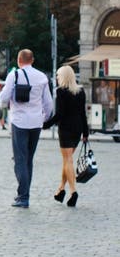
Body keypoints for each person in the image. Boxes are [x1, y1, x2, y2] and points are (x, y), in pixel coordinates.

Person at [0, 49, 53, 208]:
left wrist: (5, 107)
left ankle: (23, 197)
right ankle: (24, 194)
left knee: (20, 160)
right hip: (36, 123)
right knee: (29, 159)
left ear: (18, 60)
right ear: (32, 60)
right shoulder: (42, 77)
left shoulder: (14, 75)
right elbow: (48, 103)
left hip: (19, 122)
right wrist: (44, 118)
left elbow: (4, 97)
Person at [43, 65, 89, 208]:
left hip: (66, 129)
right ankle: (61, 189)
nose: (57, 78)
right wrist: (85, 132)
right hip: (77, 129)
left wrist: (45, 125)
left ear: (63, 76)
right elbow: (83, 113)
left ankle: (73, 191)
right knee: (67, 160)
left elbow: (60, 114)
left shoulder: (61, 91)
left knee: (68, 160)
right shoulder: (81, 91)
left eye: (58, 75)